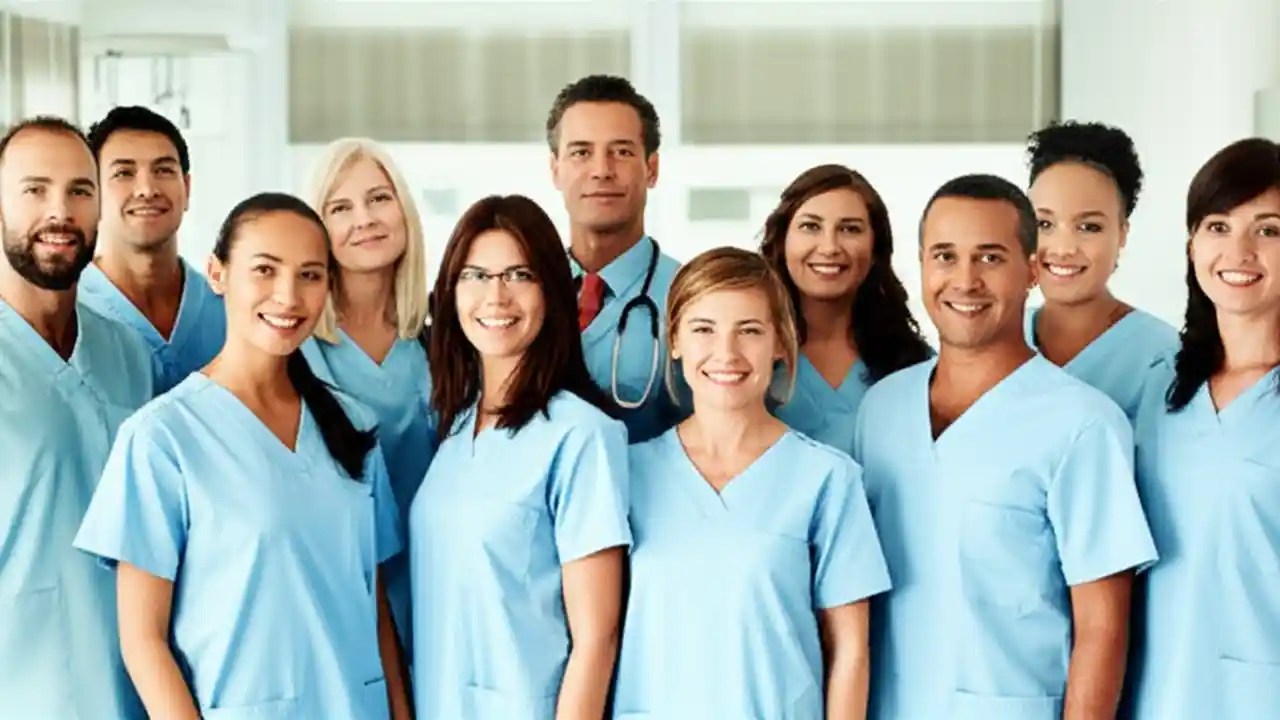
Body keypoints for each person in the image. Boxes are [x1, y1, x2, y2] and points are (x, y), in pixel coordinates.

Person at [73, 193, 411, 719]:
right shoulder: (162, 438)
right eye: (265, 270)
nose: (288, 296)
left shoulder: (353, 425)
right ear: (218, 273)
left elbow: (373, 603)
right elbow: (143, 642)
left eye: (310, 275)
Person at [854, 174, 1156, 719]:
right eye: (944, 256)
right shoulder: (881, 409)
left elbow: (1103, 629)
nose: (964, 280)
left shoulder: (1083, 424)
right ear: (921, 266)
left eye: (990, 258)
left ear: (1032, 271)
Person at [612, 247, 891, 718]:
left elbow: (850, 652)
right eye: (704, 329)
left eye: (750, 331)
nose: (727, 353)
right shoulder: (626, 474)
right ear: (674, 339)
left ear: (782, 344)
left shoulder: (826, 478)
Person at [411, 194, 630, 719]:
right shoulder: (455, 429)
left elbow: (598, 637)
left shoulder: (580, 435)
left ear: (553, 291)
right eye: (476, 275)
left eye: (519, 275)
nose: (496, 296)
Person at [0, 116, 153, 719]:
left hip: (132, 685)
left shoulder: (128, 354)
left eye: (79, 191)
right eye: (34, 190)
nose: (59, 211)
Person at [1127, 138, 1280, 719]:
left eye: (1268, 230)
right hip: (1153, 695)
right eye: (1218, 225)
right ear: (1192, 244)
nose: (1239, 250)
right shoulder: (1159, 386)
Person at [301, 137, 433, 661]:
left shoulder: (446, 337)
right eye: (341, 207)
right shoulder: (298, 347)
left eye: (379, 198)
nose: (365, 219)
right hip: (342, 595)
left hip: (438, 587)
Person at [547, 74, 684, 443]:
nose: (601, 170)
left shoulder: (691, 295)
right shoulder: (521, 291)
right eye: (580, 152)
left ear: (651, 169)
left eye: (622, 151)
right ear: (555, 170)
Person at [760, 164, 933, 453]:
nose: (829, 247)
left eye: (849, 229)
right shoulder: (745, 354)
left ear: (876, 248)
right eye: (811, 226)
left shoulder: (916, 365)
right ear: (782, 240)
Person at [1024, 121, 1177, 420]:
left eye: (1089, 227)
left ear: (1122, 233)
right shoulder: (1001, 335)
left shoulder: (1164, 359)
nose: (1063, 248)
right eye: (1044, 224)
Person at [81, 105, 226, 394]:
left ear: (186, 188)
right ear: (92, 192)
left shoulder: (228, 309)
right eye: (124, 173)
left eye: (163, 170)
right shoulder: (69, 314)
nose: (147, 189)